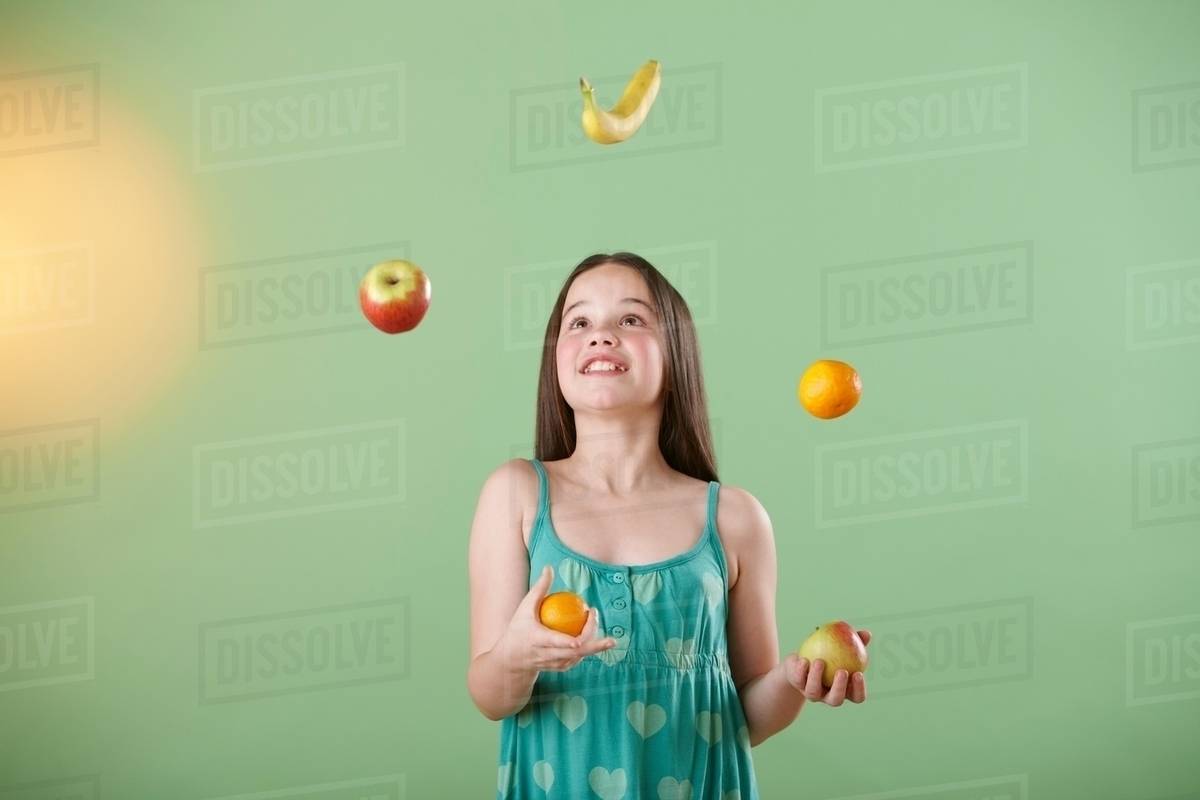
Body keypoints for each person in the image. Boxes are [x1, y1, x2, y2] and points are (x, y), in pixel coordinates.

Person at [467, 252, 870, 798]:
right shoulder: (515, 494)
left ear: (675, 353)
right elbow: (491, 697)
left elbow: (744, 719)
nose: (601, 335)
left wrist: (795, 680)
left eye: (630, 319)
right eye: (579, 322)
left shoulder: (734, 518)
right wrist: (517, 658)